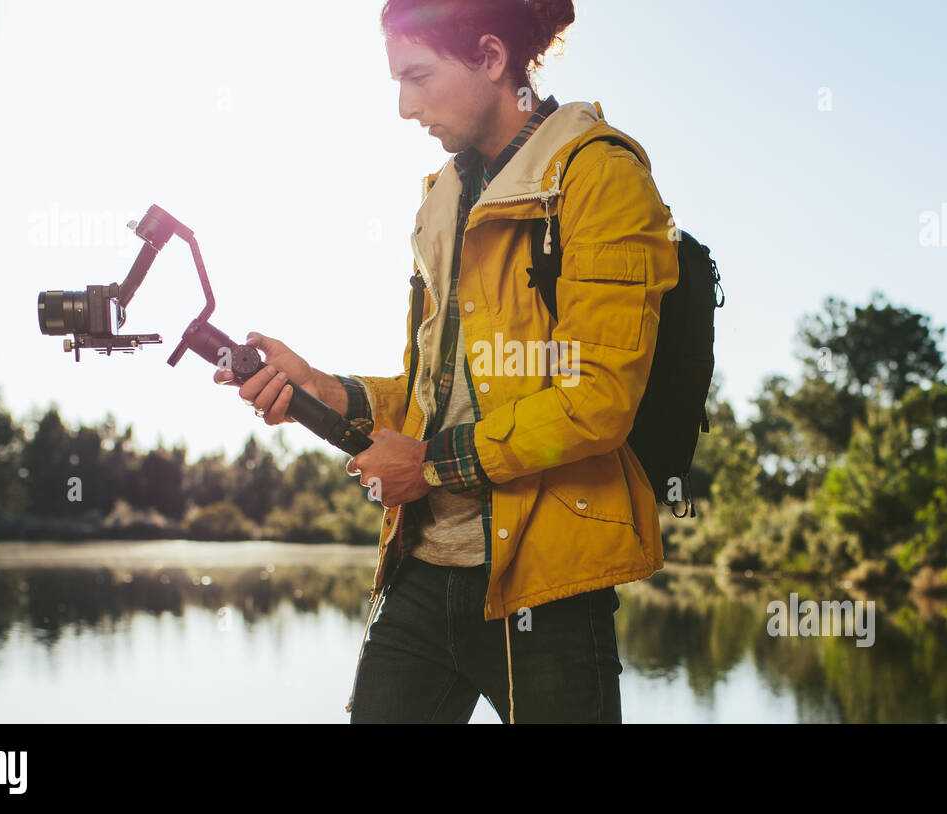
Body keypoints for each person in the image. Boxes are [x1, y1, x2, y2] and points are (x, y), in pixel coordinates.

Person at [216, 0, 678, 723]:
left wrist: (428, 465)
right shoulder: (442, 200)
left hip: (548, 585)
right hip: (422, 572)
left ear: (491, 59)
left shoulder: (601, 177)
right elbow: (434, 397)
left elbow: (598, 401)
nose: (404, 107)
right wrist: (322, 389)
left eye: (418, 77)